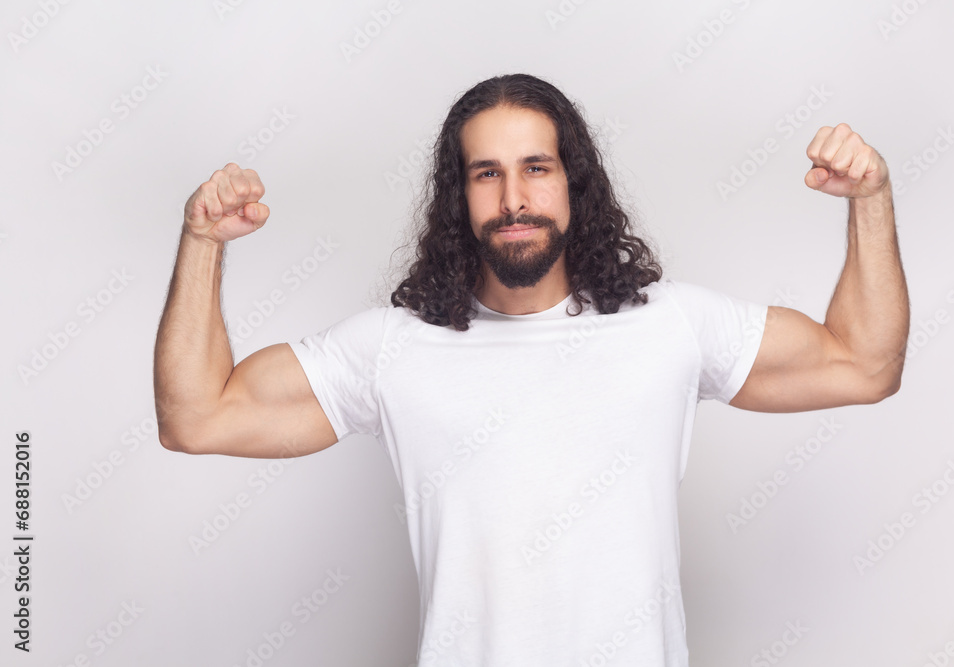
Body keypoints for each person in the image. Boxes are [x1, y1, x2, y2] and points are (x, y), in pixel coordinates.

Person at [153, 73, 909, 666]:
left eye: (537, 168)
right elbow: (197, 415)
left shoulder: (671, 324)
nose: (515, 198)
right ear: (460, 195)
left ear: (573, 183)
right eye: (487, 173)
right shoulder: (393, 348)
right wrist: (202, 242)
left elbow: (863, 363)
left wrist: (869, 199)